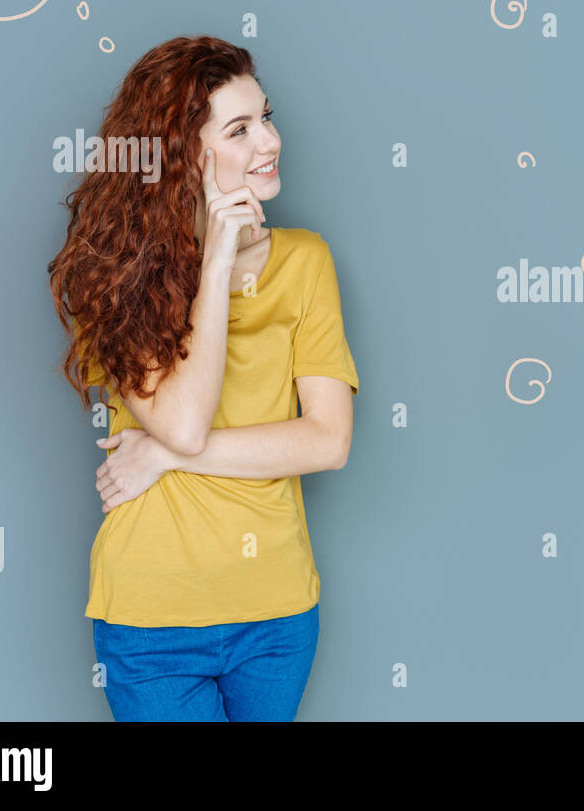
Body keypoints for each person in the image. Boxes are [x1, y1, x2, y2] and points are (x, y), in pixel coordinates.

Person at [47, 36, 359, 721]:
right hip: (152, 619)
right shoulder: (114, 275)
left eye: (265, 117)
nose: (270, 141)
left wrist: (161, 456)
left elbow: (328, 441)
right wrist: (216, 265)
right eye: (239, 129)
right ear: (183, 153)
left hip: (277, 613)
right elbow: (185, 422)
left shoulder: (306, 262)